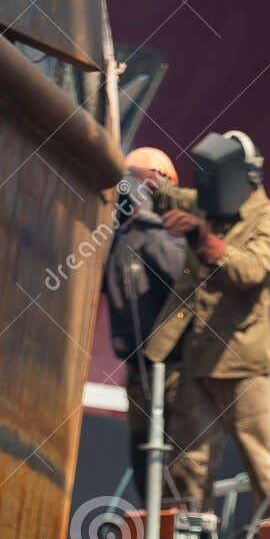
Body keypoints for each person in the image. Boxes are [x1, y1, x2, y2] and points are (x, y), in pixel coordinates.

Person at [145, 129, 270, 514]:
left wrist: (206, 242)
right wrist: (139, 177)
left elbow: (252, 271)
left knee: (267, 469)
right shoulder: (206, 207)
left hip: (245, 368)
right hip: (199, 363)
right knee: (186, 468)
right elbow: (168, 196)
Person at [102, 146, 187, 500]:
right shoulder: (116, 243)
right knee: (143, 466)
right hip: (139, 375)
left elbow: (186, 283)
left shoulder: (167, 241)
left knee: (177, 468)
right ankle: (158, 524)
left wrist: (146, 225)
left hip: (173, 375)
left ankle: (176, 528)